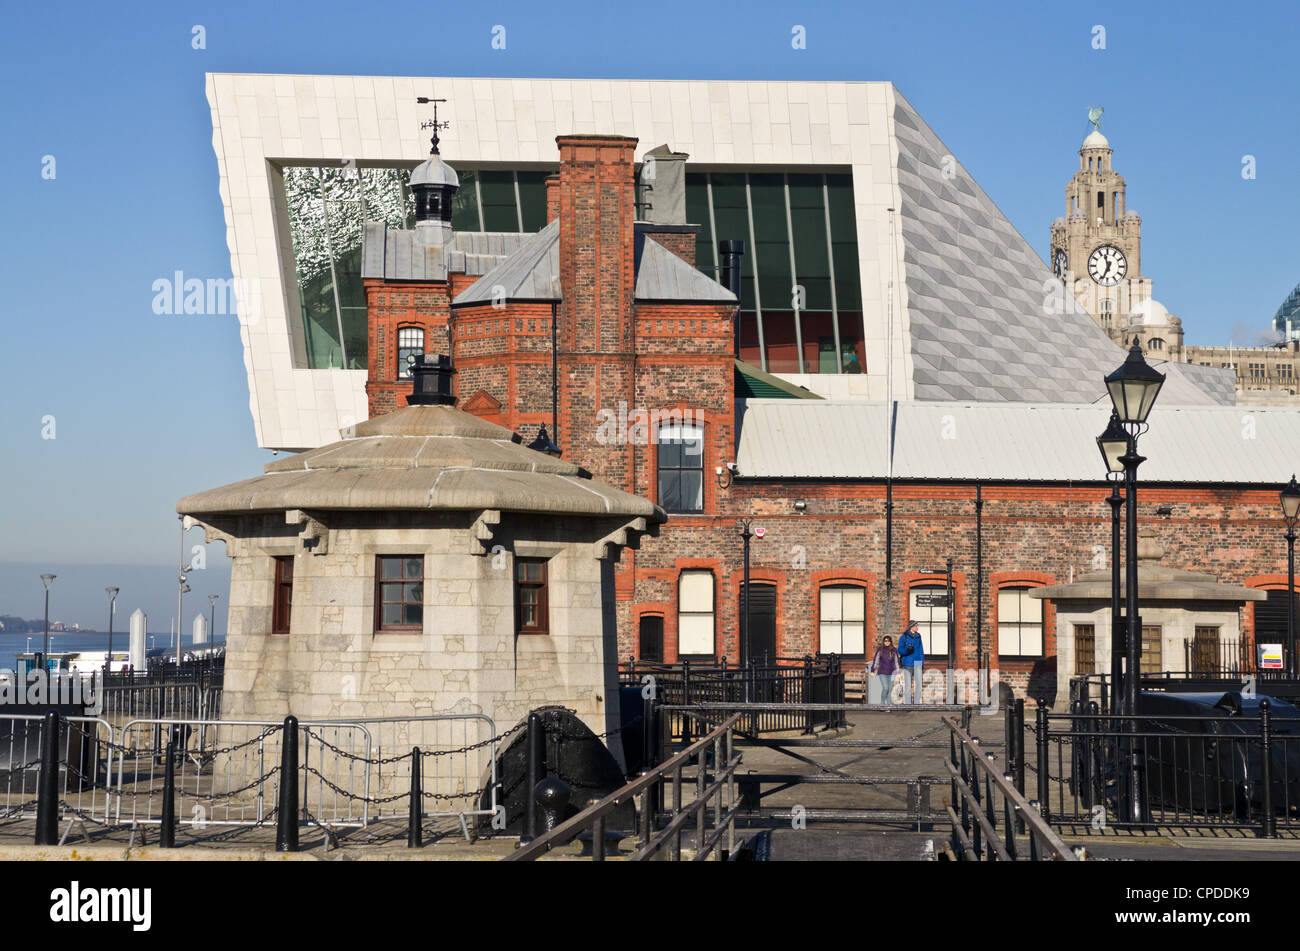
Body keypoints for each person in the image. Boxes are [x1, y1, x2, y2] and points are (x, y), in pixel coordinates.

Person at [897, 620, 926, 704]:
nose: (917, 627)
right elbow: (900, 650)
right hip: (907, 663)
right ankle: (908, 704)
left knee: (919, 685)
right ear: (911, 627)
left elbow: (921, 650)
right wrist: (907, 650)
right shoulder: (904, 636)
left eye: (917, 625)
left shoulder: (918, 636)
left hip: (917, 663)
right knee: (908, 686)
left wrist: (922, 663)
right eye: (916, 626)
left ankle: (916, 704)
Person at [869, 635, 901, 706]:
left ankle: (888, 706)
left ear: (890, 642)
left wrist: (898, 672)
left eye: (888, 641)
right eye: (885, 641)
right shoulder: (880, 650)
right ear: (883, 642)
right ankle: (882, 705)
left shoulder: (894, 650)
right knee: (885, 688)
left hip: (892, 673)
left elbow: (896, 662)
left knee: (890, 690)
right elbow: (876, 661)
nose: (887, 642)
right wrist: (872, 670)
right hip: (882, 672)